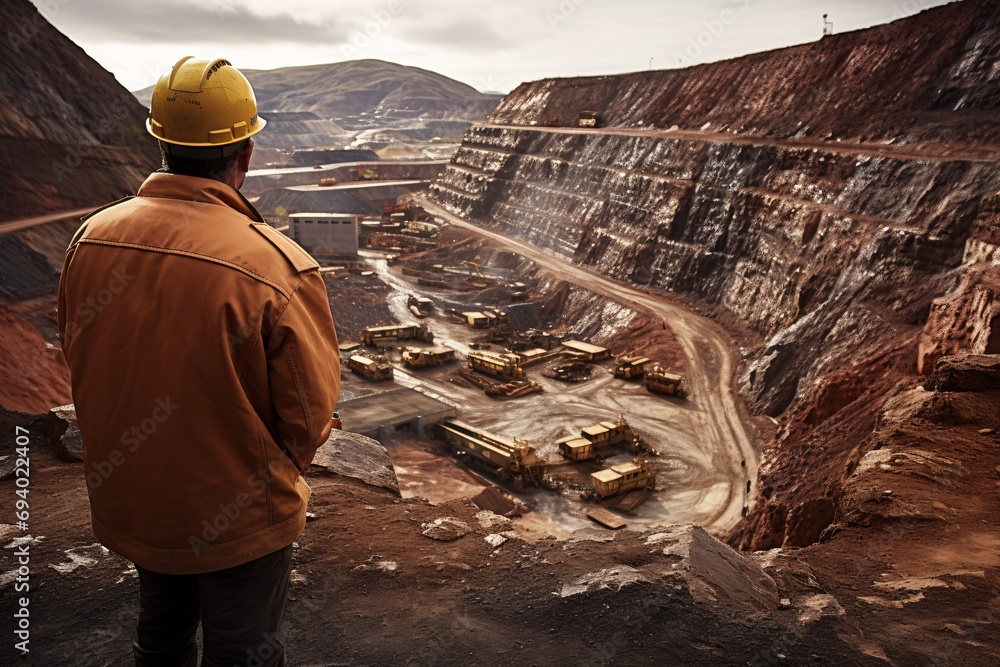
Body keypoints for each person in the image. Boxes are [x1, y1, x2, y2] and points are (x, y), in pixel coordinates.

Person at [57, 56, 340, 666]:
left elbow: (82, 355)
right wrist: (270, 468)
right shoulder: (275, 267)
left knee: (159, 636)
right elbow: (309, 417)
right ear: (247, 153)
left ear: (161, 143)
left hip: (135, 497)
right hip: (237, 512)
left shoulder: (92, 238)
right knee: (243, 650)